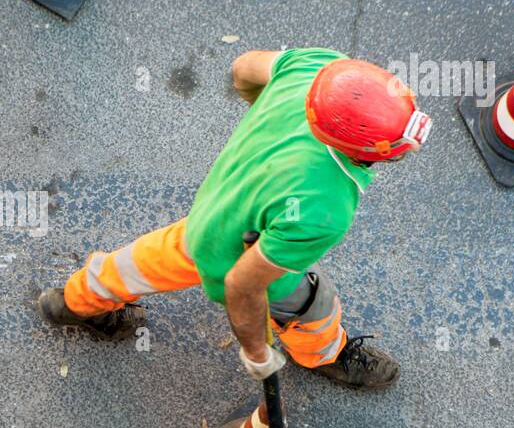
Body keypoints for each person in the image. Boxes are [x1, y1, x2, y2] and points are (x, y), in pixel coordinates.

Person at [38, 47, 432, 389]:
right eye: (396, 147)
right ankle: (324, 354)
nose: (404, 150)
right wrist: (257, 352)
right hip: (240, 250)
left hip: (215, 208)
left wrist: (265, 114)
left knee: (150, 260)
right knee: (311, 305)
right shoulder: (323, 210)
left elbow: (244, 69)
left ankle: (75, 301)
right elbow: (242, 286)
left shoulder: (322, 67)